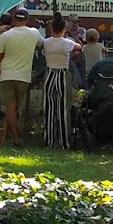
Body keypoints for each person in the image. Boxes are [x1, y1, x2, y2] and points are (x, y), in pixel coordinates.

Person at [0, 8, 40, 147]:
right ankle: (11, 134)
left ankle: (14, 137)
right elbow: (42, 44)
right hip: (23, 76)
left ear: (14, 18)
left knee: (10, 109)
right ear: (27, 19)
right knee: (15, 109)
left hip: (6, 75)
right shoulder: (34, 33)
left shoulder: (6, 35)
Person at [39, 15, 80, 148]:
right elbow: (79, 47)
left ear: (52, 28)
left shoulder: (46, 42)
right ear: (64, 29)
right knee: (63, 109)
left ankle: (49, 140)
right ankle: (64, 142)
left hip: (49, 74)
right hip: (63, 74)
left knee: (49, 108)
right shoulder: (67, 43)